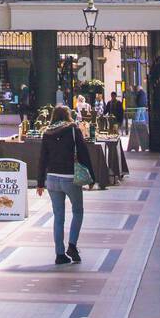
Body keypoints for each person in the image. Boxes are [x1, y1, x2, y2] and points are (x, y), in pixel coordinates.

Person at [36, 105, 94, 266]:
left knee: (58, 217)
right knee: (78, 210)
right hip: (70, 177)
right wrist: (92, 177)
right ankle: (72, 245)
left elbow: (42, 159)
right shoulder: (73, 130)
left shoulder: (47, 133)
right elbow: (83, 153)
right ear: (68, 115)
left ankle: (59, 254)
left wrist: (40, 182)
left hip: (52, 179)